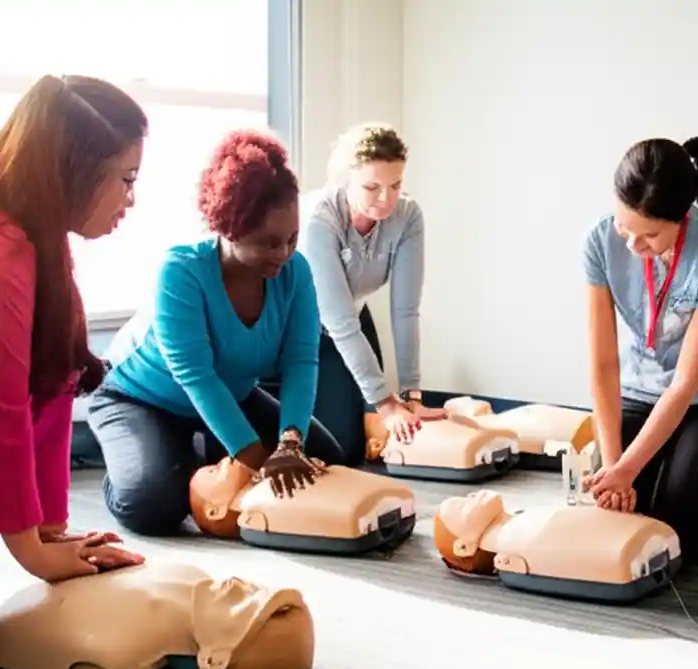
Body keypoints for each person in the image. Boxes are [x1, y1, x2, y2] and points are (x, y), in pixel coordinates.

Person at [0, 75, 146, 669]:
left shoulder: (30, 223)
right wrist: (31, 553)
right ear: (74, 167)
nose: (130, 199)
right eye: (126, 179)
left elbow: (54, 381)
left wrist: (54, 529)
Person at [89, 130, 343, 537]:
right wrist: (254, 456)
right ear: (229, 228)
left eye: (292, 239)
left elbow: (301, 361)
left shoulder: (296, 273)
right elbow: (195, 374)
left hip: (229, 395)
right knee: (153, 504)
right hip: (141, 397)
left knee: (326, 461)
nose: (284, 254)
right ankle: (138, 467)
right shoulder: (181, 271)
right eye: (268, 243)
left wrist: (290, 443)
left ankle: (194, 461)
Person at [581, 136, 698, 567]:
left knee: (679, 542)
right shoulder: (599, 241)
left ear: (682, 218)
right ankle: (692, 471)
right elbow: (603, 365)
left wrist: (625, 471)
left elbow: (685, 385)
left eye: (650, 236)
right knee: (614, 515)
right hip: (640, 391)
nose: (633, 246)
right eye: (625, 228)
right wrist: (617, 468)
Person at [294, 122, 446, 467]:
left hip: (351, 320)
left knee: (349, 448)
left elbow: (405, 310)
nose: (385, 198)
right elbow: (337, 318)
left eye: (396, 185)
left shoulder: (408, 217)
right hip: (300, 325)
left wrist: (410, 395)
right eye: (371, 186)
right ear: (345, 178)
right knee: (322, 450)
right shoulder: (321, 217)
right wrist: (385, 402)